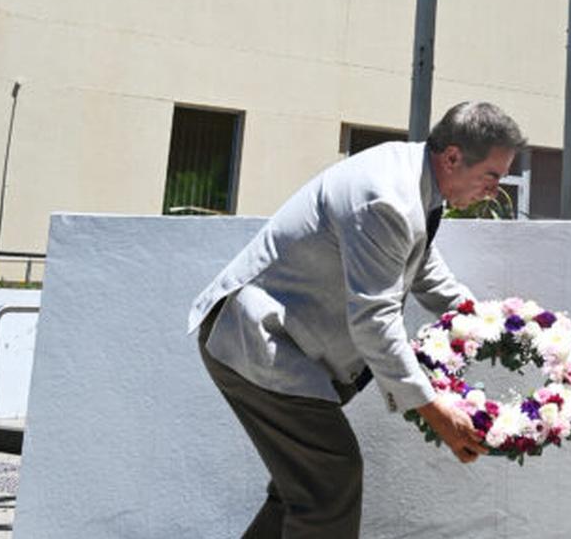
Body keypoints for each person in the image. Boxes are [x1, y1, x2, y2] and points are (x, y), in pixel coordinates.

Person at [188, 100, 525, 537]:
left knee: (308, 491)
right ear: (454, 157)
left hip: (281, 350)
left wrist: (494, 327)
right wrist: (434, 409)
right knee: (331, 483)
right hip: (258, 347)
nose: (496, 189)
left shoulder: (415, 181)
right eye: (492, 176)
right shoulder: (387, 198)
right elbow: (374, 321)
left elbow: (422, 268)